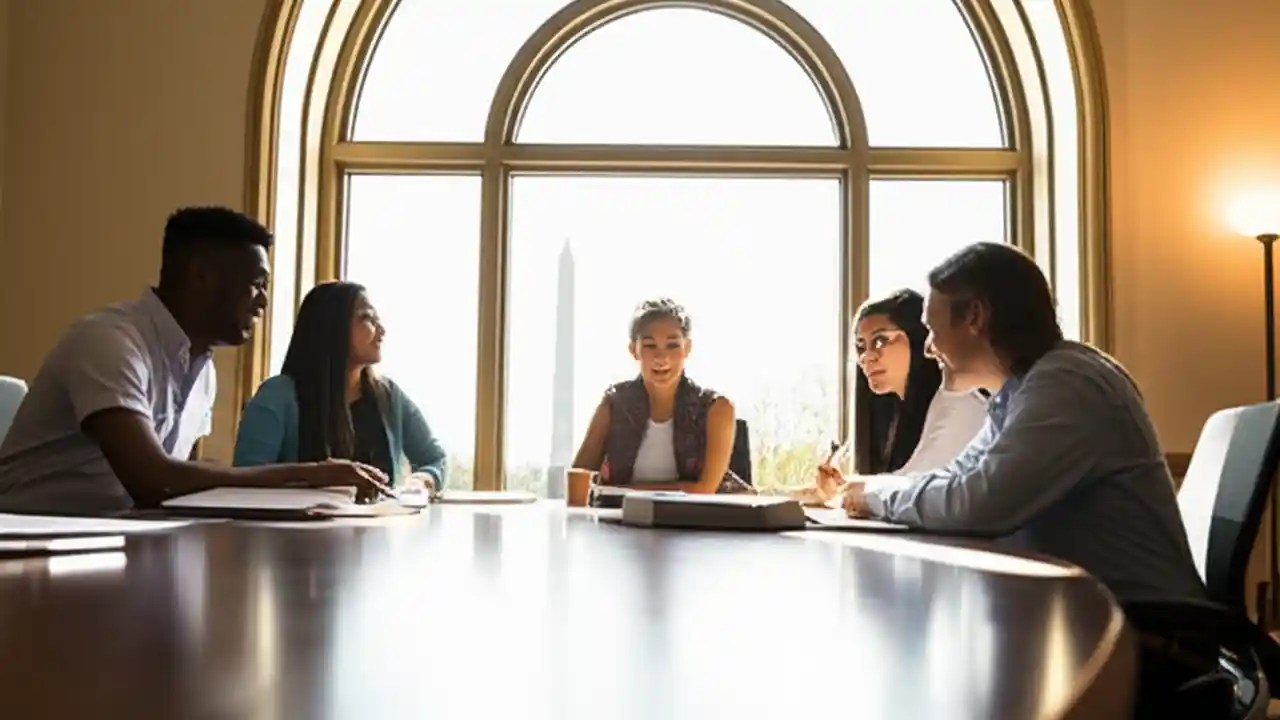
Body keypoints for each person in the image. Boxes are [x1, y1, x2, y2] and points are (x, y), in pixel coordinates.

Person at [839, 242, 1204, 605]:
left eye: (933, 330)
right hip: (1095, 614)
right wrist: (872, 489)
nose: (929, 348)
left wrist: (872, 497)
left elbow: (978, 504)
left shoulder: (1067, 383)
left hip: (1147, 629)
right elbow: (957, 475)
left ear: (974, 317)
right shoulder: (1020, 393)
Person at [0, 207, 391, 514]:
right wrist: (311, 476)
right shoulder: (110, 342)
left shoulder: (202, 370)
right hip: (27, 555)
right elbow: (154, 480)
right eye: (256, 284)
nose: (263, 301)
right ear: (200, 275)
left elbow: (182, 486)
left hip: (110, 544)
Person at [234, 281, 447, 491]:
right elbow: (245, 478)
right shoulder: (277, 396)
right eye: (367, 318)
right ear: (331, 326)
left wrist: (422, 482)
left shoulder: (389, 396)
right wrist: (313, 475)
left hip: (379, 524)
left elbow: (436, 459)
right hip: (298, 525)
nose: (381, 331)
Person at [793, 289, 988, 504]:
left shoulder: (960, 403)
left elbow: (916, 486)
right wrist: (827, 489)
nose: (867, 357)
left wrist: (847, 488)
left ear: (919, 340)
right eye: (860, 347)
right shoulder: (886, 416)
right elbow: (841, 477)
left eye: (880, 341)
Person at [572, 298, 750, 494]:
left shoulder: (717, 409)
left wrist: (617, 492)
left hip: (697, 522)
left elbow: (704, 490)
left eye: (673, 345)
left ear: (687, 348)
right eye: (650, 345)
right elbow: (578, 483)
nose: (661, 358)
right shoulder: (614, 404)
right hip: (621, 522)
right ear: (634, 350)